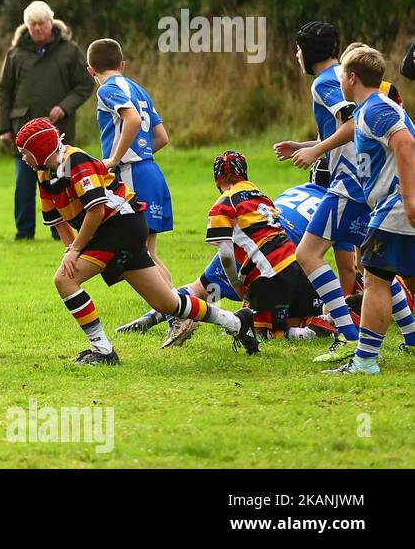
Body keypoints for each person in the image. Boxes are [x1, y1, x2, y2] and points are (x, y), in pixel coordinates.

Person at [14, 118, 256, 365]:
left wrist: (76, 250)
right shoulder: (43, 174)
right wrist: (71, 248)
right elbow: (57, 219)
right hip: (113, 230)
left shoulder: (75, 159)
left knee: (64, 280)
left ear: (40, 150)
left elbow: (96, 210)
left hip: (121, 226)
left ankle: (104, 351)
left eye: (25, 153)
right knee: (166, 302)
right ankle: (237, 322)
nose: (23, 158)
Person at [117, 179, 337, 344]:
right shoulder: (337, 202)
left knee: (201, 288)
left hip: (246, 243)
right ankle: (318, 327)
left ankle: (149, 318)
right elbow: (348, 269)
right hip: (282, 257)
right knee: (278, 328)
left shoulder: (295, 189)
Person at [272, 22, 369, 363]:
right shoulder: (344, 74)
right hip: (369, 180)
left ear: (308, 52)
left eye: (298, 49)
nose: (296, 56)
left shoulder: (324, 82)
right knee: (375, 265)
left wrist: (315, 152)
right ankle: (410, 335)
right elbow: (345, 133)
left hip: (349, 183)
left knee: (308, 255)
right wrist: (305, 145)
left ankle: (346, 335)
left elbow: (353, 124)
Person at [323, 47, 415, 374]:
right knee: (401, 277)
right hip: (391, 207)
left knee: (375, 279)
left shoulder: (377, 108)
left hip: (395, 207)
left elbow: (405, 143)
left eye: (341, 76)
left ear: (352, 77)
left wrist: (409, 198)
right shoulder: (366, 110)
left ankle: (365, 360)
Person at [0, 1, 96, 241]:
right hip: (23, 129)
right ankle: (24, 232)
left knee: (61, 183)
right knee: (24, 184)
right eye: (33, 25)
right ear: (26, 26)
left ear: (51, 23)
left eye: (42, 24)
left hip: (58, 132)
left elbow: (85, 83)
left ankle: (60, 231)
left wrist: (65, 106)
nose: (38, 28)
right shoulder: (15, 54)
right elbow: (5, 90)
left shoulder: (70, 51)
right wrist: (3, 127)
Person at [86, 39, 174, 286]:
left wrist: (114, 159)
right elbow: (162, 137)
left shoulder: (106, 89)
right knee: (147, 254)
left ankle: (179, 313)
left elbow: (132, 119)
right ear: (122, 64)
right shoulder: (139, 89)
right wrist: (139, 153)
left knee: (141, 256)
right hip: (151, 171)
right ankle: (179, 311)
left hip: (132, 174)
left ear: (90, 70)